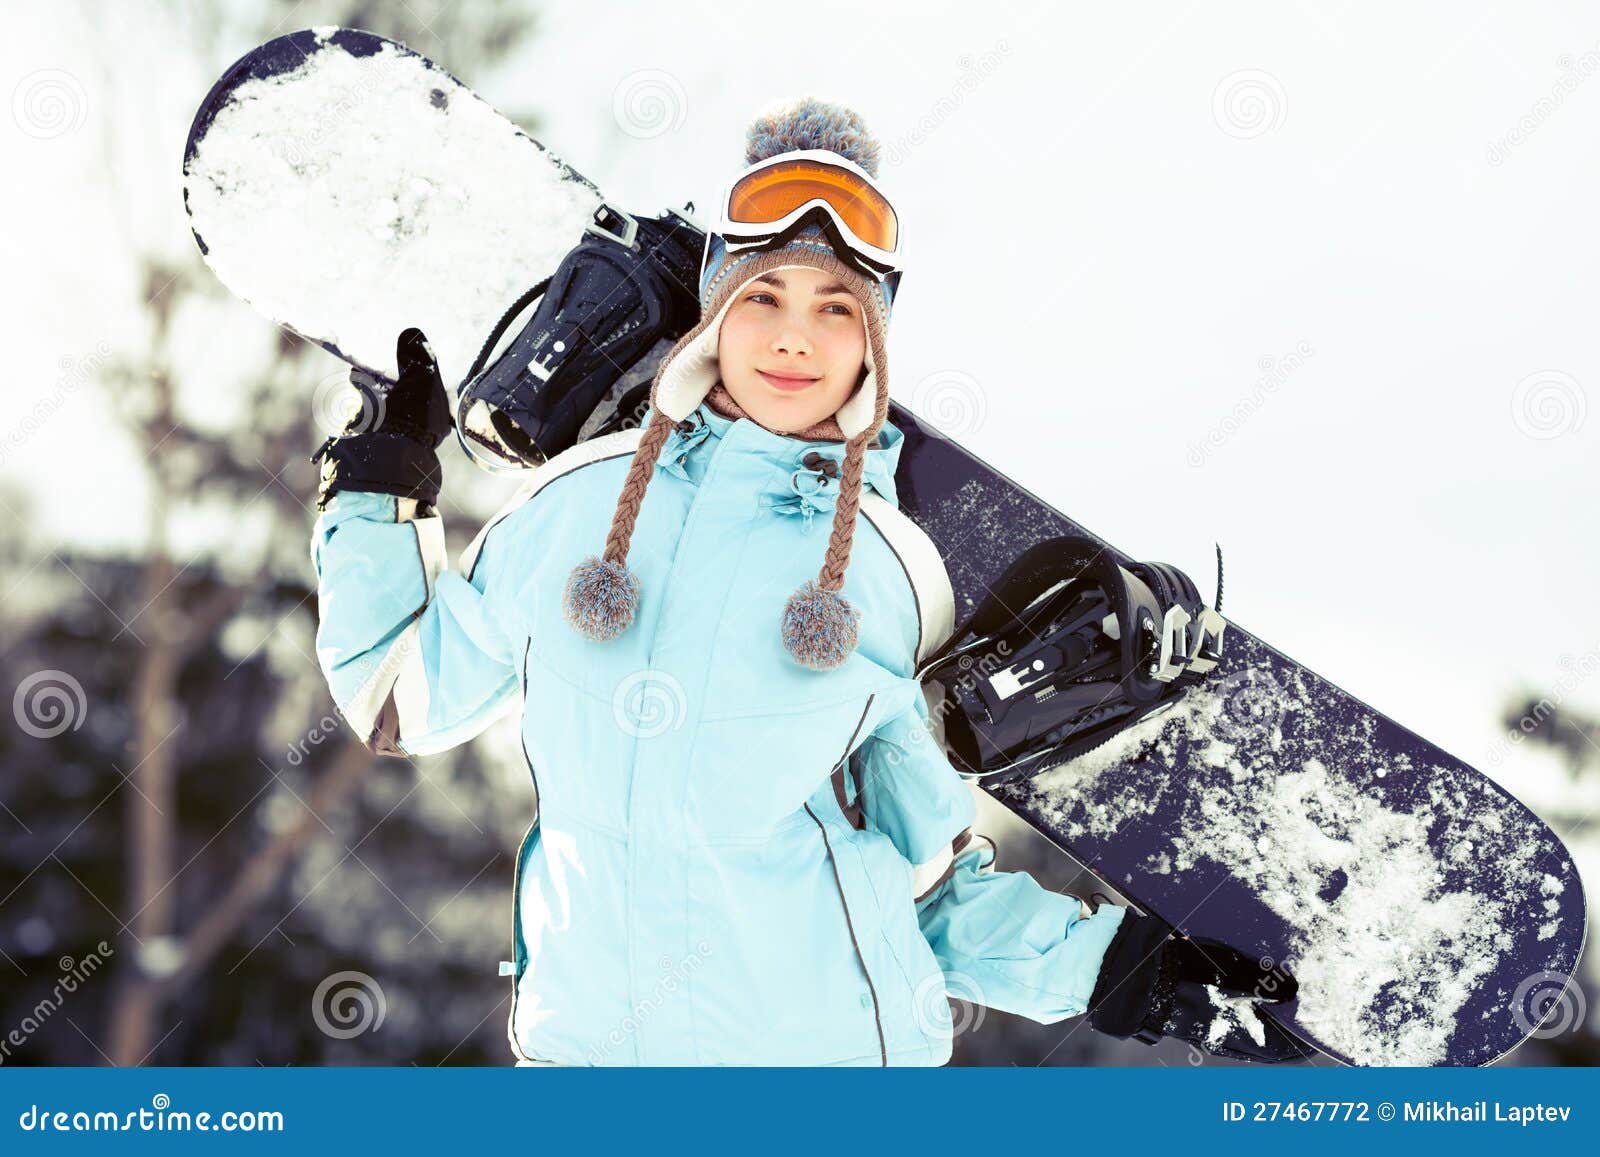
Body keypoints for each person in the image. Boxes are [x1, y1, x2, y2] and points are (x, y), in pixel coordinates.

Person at [308, 98, 1308, 1066]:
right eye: (764, 298)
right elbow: (402, 694)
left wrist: (1130, 973)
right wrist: (375, 486)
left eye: (837, 309)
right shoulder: (570, 509)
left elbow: (925, 895)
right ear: (714, 313)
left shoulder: (893, 574)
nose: (796, 337)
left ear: (872, 342)